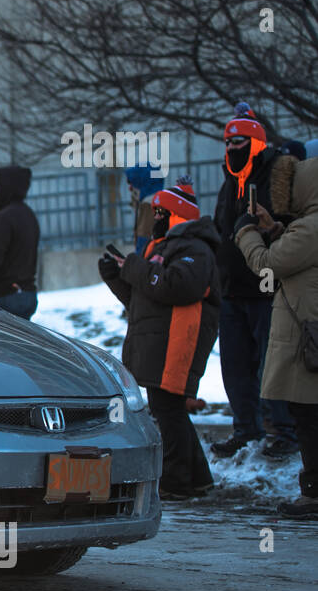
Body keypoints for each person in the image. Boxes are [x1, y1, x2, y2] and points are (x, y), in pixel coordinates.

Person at [100, 180, 220, 500]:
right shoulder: (164, 249)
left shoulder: (194, 248)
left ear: (176, 214)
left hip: (178, 341)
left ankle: (177, 482)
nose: (155, 219)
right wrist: (117, 274)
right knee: (169, 408)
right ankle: (197, 479)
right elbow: (143, 298)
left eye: (160, 213)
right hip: (160, 340)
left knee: (168, 409)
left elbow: (179, 286)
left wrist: (136, 267)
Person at [211, 102, 300, 459]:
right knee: (234, 365)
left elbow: (285, 227)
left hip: (266, 287)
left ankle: (284, 430)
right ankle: (246, 429)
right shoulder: (229, 182)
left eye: (239, 142)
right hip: (232, 289)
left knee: (271, 363)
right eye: (228, 143)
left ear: (256, 142)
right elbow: (222, 228)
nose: (232, 149)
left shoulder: (276, 178)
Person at [234, 155, 318, 515]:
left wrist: (247, 233)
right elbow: (297, 254)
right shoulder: (308, 229)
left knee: (307, 415)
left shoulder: (312, 227)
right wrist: (275, 230)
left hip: (305, 337)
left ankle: (313, 494)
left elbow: (267, 264)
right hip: (308, 331)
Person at [0, 165, 39, 316]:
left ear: (6, 187)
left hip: (6, 297)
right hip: (26, 294)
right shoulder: (28, 214)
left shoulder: (3, 218)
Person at [125, 163, 163, 256]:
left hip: (150, 265)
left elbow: (143, 244)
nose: (130, 189)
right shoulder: (159, 203)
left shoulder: (148, 207)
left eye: (133, 184)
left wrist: (133, 264)